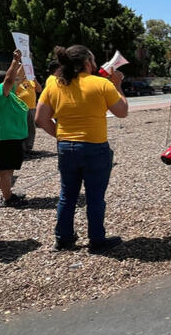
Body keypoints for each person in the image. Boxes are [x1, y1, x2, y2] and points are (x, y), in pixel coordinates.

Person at [35, 45, 127, 251]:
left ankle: (64, 238)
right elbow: (122, 112)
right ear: (87, 62)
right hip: (95, 146)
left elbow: (40, 118)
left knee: (67, 195)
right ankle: (97, 240)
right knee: (95, 196)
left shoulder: (54, 85)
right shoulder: (101, 84)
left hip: (66, 146)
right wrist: (118, 85)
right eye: (93, 61)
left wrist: (61, 135)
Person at [0, 51, 28, 207]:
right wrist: (14, 60)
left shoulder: (9, 93)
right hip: (4, 136)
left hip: (10, 136)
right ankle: (7, 197)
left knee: (8, 168)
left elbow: (17, 77)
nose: (16, 81)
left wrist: (25, 60)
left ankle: (8, 194)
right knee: (5, 169)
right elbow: (10, 79)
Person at [14, 72, 40, 153]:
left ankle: (29, 147)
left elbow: (39, 90)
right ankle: (21, 147)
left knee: (31, 128)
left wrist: (35, 80)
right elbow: (12, 90)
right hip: (20, 109)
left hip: (32, 108)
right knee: (22, 128)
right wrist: (20, 79)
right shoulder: (17, 82)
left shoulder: (31, 81)